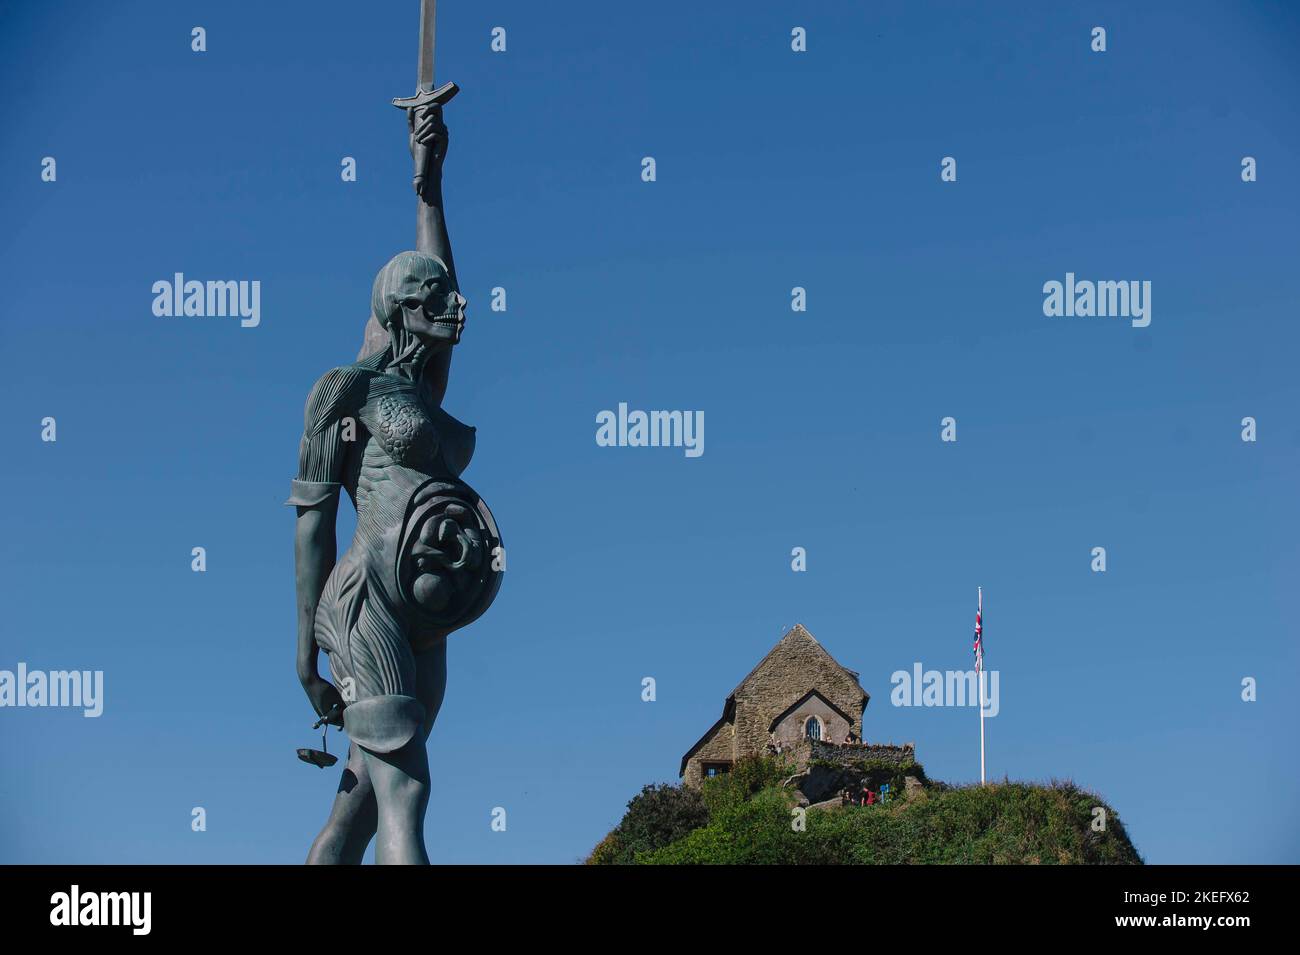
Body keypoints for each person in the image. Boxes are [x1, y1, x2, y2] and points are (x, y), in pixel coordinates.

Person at [291, 103, 501, 865]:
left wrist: (429, 184)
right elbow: (311, 526)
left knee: (362, 802)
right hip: (363, 606)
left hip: (428, 618)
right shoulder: (344, 397)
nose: (458, 306)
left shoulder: (426, 391)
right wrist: (303, 655)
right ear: (405, 312)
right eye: (439, 303)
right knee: (405, 786)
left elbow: (437, 269)